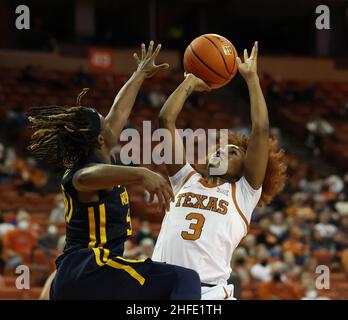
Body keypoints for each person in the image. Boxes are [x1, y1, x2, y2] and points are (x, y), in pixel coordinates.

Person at [28, 41, 201, 300]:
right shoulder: (83, 173)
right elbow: (86, 178)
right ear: (99, 139)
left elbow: (119, 110)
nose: (110, 121)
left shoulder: (99, 152)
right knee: (184, 279)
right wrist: (141, 173)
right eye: (103, 121)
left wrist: (139, 74)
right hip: (91, 270)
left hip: (78, 275)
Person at [152, 41, 287, 299]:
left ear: (244, 169)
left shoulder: (243, 193)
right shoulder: (185, 178)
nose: (222, 151)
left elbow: (260, 130)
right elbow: (165, 120)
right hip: (160, 290)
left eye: (232, 152)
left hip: (208, 294)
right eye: (221, 148)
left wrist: (251, 79)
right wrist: (189, 83)